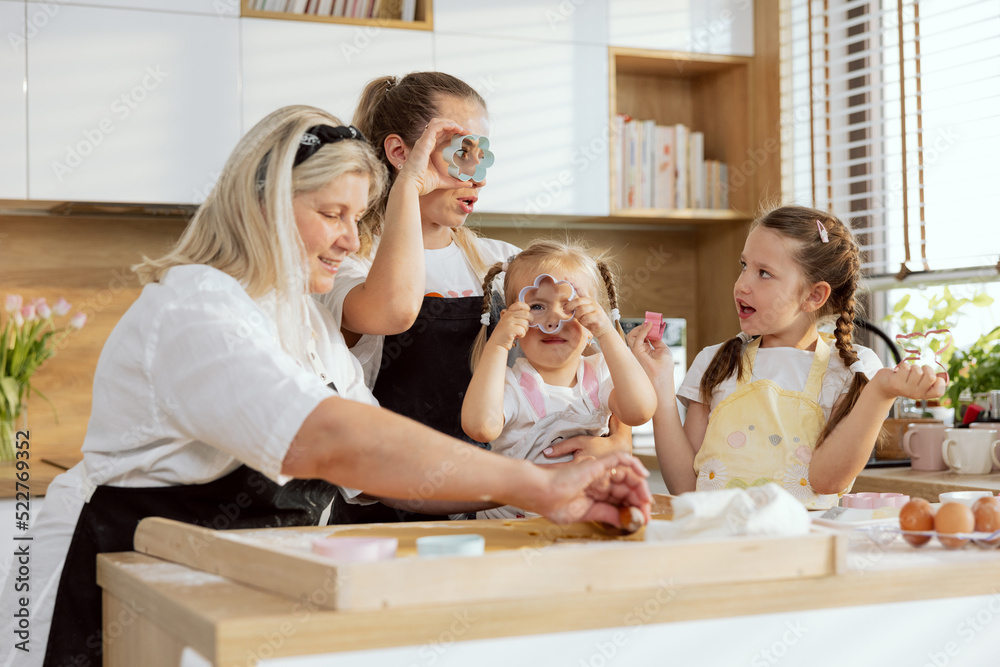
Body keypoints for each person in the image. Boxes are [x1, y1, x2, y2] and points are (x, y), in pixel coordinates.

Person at [0, 105, 651, 667]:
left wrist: (517, 494)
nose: (348, 238)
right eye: (332, 213)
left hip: (209, 589)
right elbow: (331, 439)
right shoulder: (196, 309)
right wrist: (538, 487)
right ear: (264, 202)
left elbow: (375, 473)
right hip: (100, 585)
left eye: (357, 215)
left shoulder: (309, 318)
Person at [318, 72, 631, 523]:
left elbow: (597, 348)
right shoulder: (350, 264)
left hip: (500, 504)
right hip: (394, 505)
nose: (478, 177)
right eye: (461, 152)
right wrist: (407, 186)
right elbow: (394, 309)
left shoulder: (502, 264)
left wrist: (617, 439)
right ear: (401, 154)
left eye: (483, 155)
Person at [627, 205, 945, 508]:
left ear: (813, 295)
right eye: (744, 266)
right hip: (720, 545)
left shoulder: (852, 368)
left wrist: (880, 392)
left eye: (764, 273)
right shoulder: (715, 361)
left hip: (801, 548)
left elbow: (826, 480)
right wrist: (660, 383)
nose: (741, 284)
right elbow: (685, 486)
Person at [462, 241, 658, 519]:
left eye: (570, 307)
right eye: (537, 306)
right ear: (512, 323)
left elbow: (640, 411)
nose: (554, 319)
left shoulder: (599, 374)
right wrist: (498, 343)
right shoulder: (511, 384)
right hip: (511, 530)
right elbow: (480, 427)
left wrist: (607, 333)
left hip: (581, 522)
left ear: (591, 323)